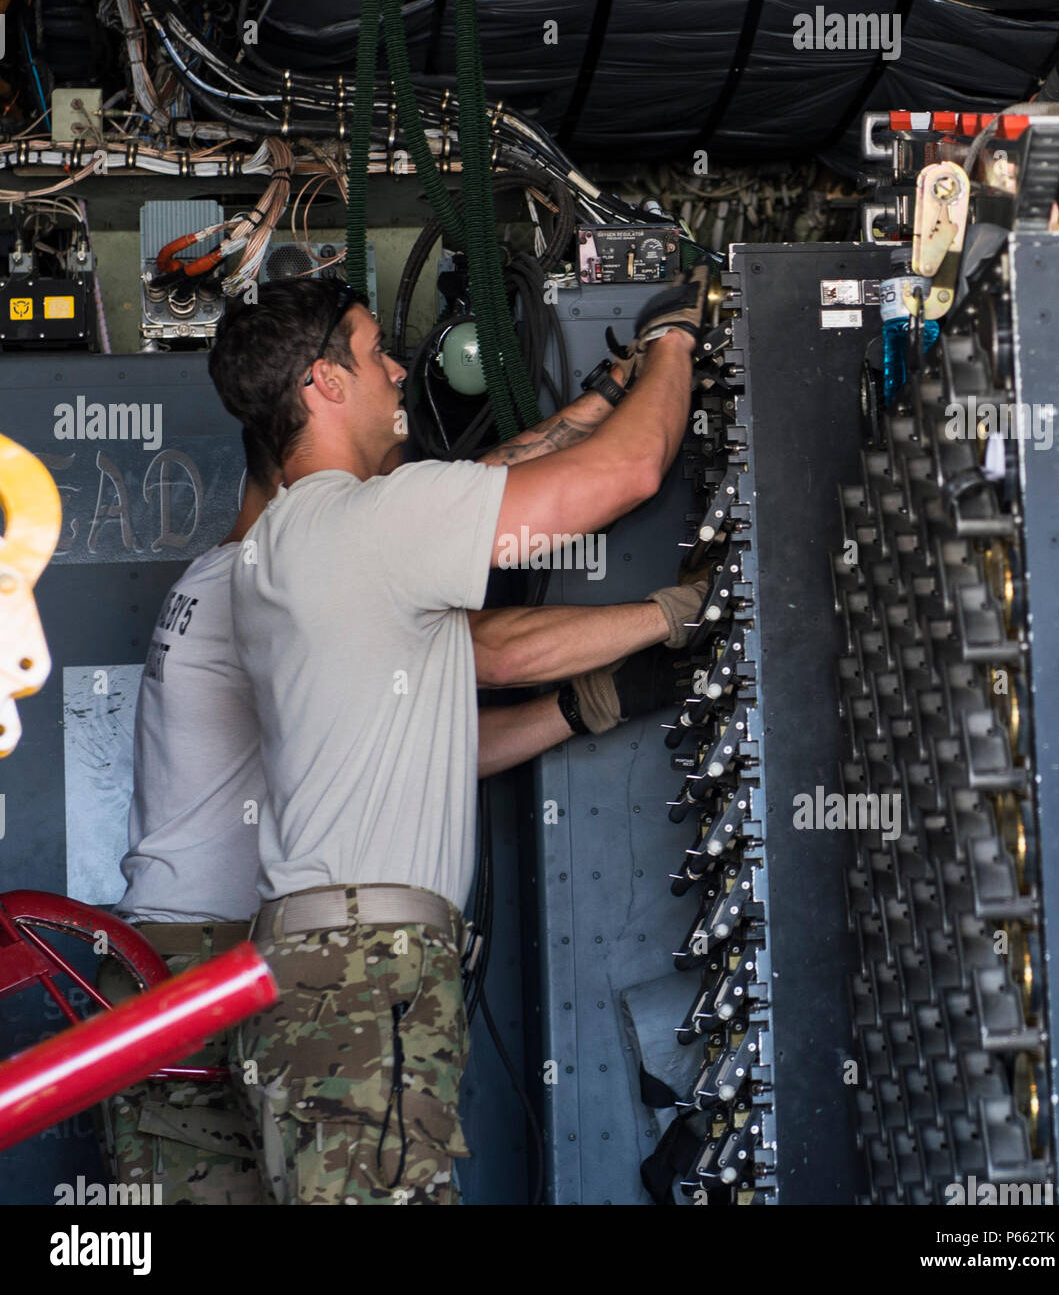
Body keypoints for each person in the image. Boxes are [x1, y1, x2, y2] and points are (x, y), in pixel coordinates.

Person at [207, 269, 706, 1205]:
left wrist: (601, 397)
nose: (399, 368)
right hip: (367, 975)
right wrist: (674, 338)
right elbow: (628, 475)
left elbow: (421, 725)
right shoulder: (372, 525)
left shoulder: (283, 540)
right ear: (323, 383)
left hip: (324, 969)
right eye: (373, 351)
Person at [95, 427, 279, 1206]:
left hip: (189, 953)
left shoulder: (221, 575)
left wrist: (579, 708)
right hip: (194, 958)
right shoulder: (256, 589)